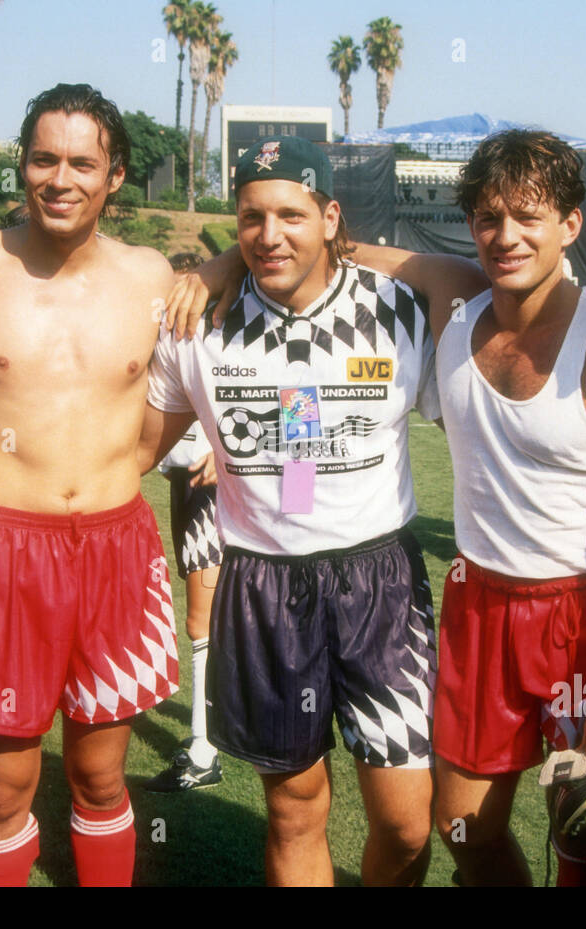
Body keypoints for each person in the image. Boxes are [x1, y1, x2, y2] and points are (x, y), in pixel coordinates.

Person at [164, 129, 586, 887]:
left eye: (529, 218)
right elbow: (318, 281)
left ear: (571, 223)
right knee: (453, 823)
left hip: (536, 610)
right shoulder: (458, 311)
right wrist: (238, 255)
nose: (506, 237)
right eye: (489, 219)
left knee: (574, 834)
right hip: (458, 603)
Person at [143, 135, 440, 886]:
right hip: (264, 584)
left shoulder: (401, 310)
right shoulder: (197, 324)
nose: (268, 234)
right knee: (295, 810)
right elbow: (135, 451)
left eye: (290, 214)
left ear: (331, 214)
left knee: (406, 825)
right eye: (250, 218)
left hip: (381, 585)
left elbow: (477, 283)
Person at [0, 83, 178, 887]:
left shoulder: (152, 277)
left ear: (115, 176)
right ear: (22, 166)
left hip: (115, 549)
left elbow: (171, 397)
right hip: (1, 552)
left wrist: (132, 463)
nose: (59, 178)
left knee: (102, 777)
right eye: (43, 159)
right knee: (1, 790)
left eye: (82, 162)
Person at [145, 252, 223, 793]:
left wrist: (229, 448)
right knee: (208, 618)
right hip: (184, 487)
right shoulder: (172, 341)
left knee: (202, 622)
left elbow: (298, 424)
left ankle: (205, 750)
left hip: (213, 496)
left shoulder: (217, 341)